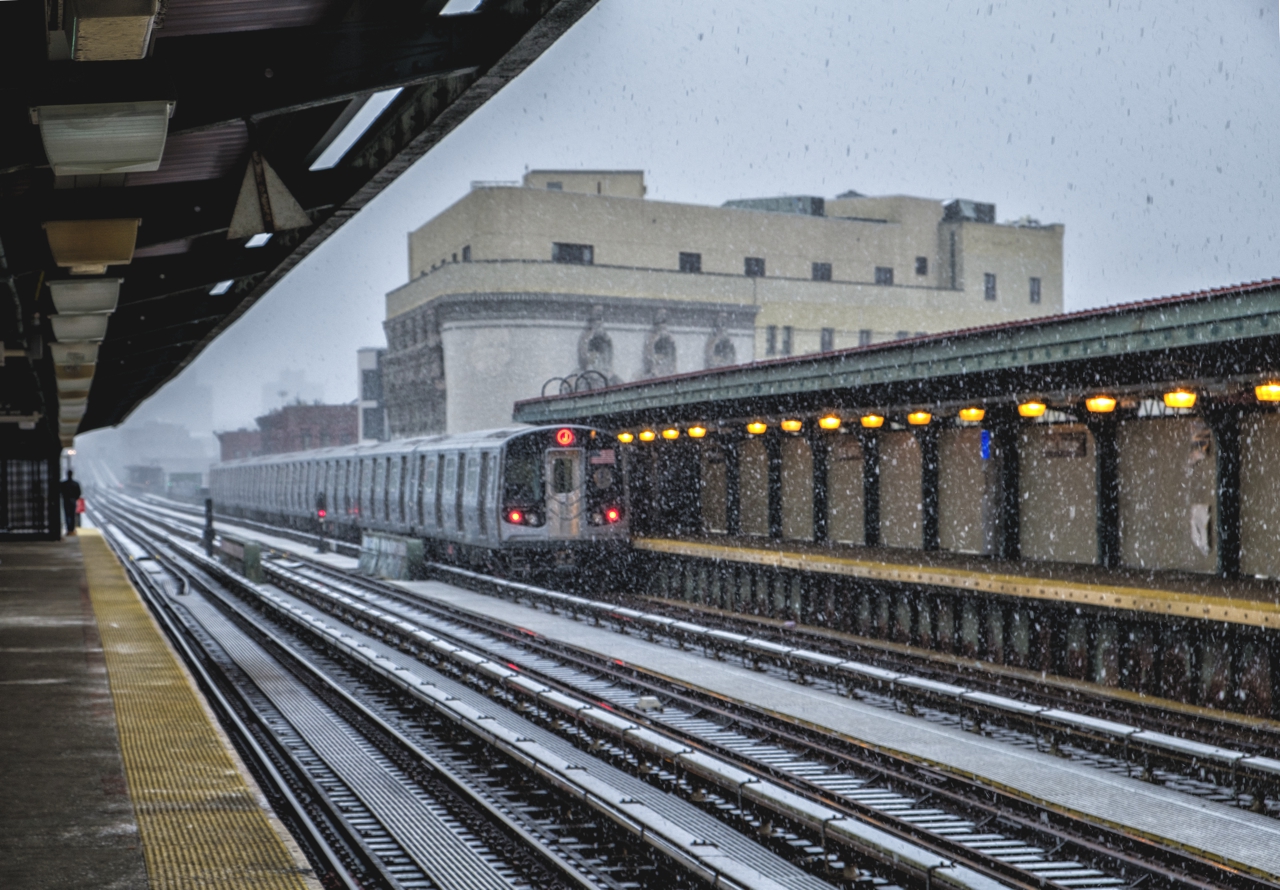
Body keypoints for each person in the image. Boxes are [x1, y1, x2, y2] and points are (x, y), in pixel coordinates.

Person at [60, 471, 81, 536]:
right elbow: (79, 493)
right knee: (72, 515)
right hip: (73, 500)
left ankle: (68, 529)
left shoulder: (63, 484)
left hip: (66, 500)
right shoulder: (76, 483)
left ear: (67, 475)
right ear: (72, 475)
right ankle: (72, 529)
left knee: (67, 515)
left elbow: (60, 491)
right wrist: (75, 498)